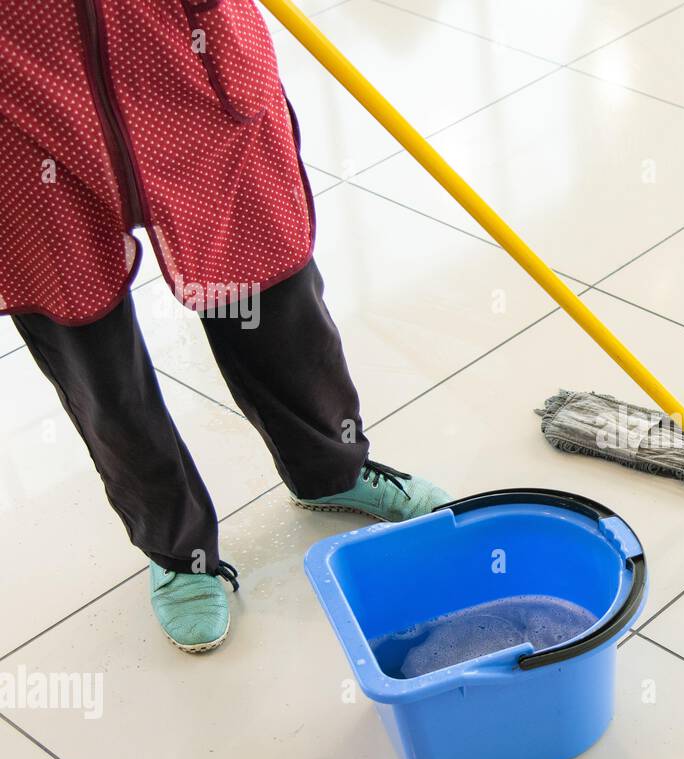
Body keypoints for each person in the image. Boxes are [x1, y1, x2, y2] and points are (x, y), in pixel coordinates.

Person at [0, 0, 449, 652]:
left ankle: (331, 468)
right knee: (85, 343)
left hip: (186, 47)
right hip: (21, 93)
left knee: (270, 287)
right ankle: (177, 550)